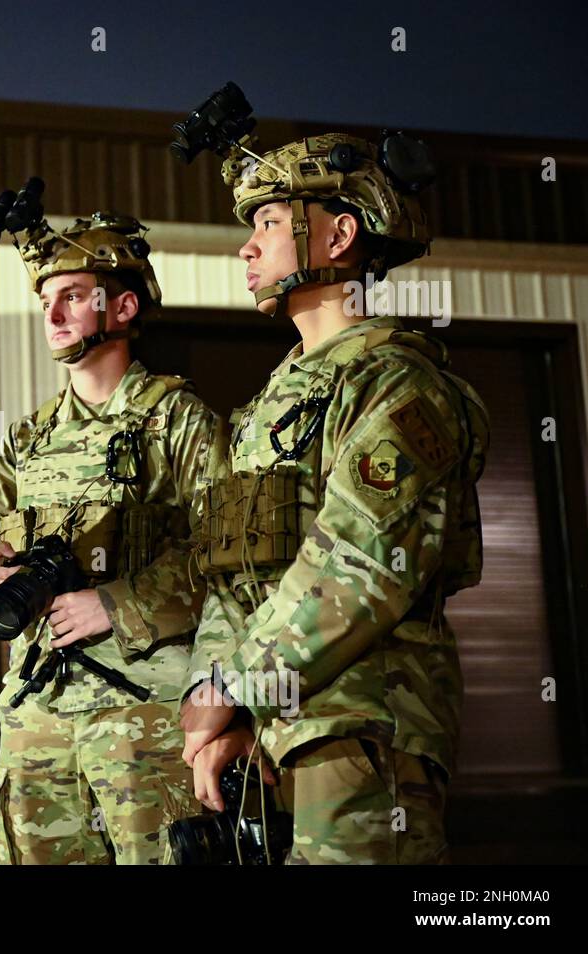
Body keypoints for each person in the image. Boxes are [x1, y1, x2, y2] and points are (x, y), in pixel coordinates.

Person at [180, 132, 489, 864]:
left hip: (365, 726)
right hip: (273, 727)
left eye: (265, 223)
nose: (246, 250)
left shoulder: (396, 384)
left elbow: (360, 565)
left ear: (341, 233)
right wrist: (218, 706)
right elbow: (231, 576)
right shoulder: (265, 409)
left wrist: (231, 686)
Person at [0, 205, 215, 863]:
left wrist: (115, 602)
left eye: (72, 295)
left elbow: (229, 553)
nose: (53, 313)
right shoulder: (26, 438)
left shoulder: (177, 421)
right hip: (36, 712)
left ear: (123, 308)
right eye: (46, 299)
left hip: (143, 715)